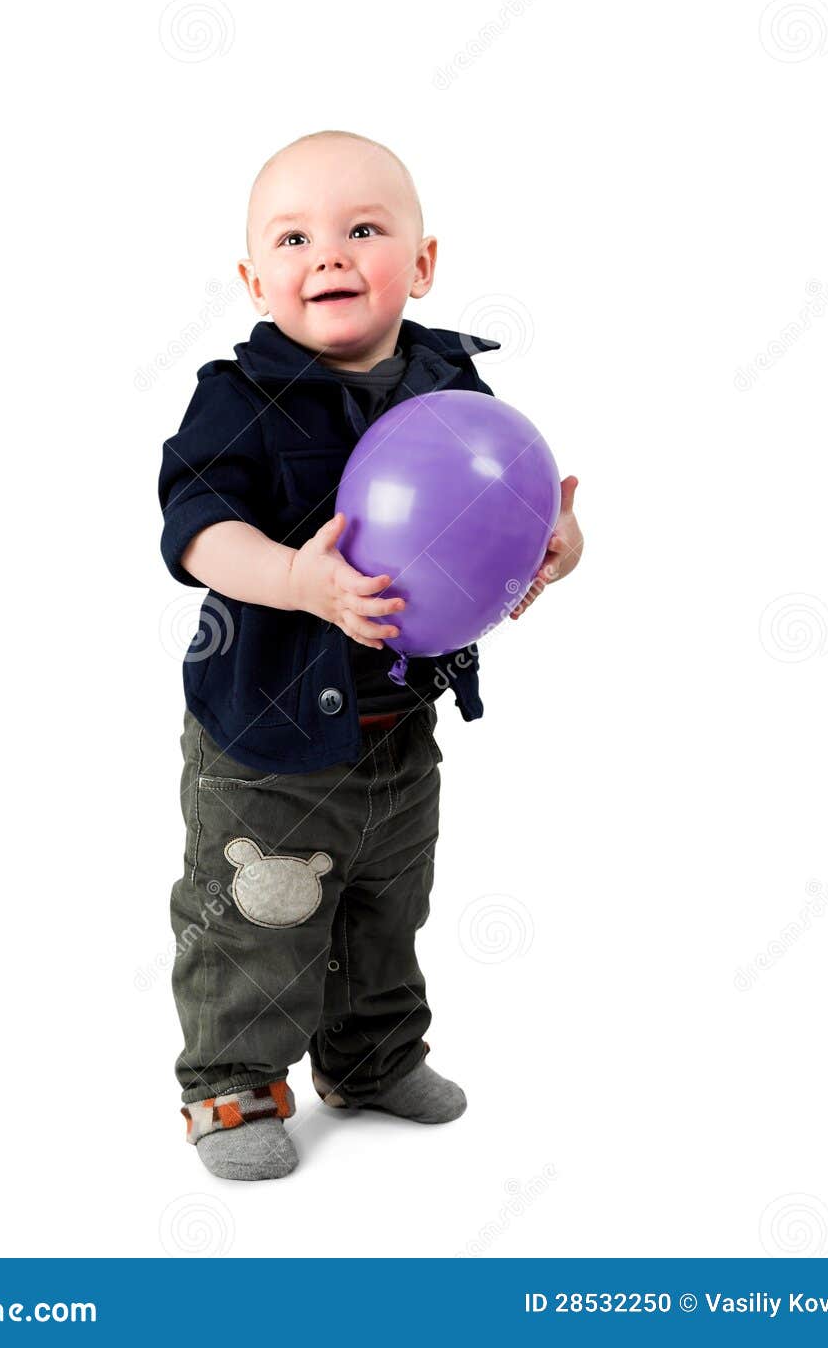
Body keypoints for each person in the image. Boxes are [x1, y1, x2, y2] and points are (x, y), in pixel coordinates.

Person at [157, 130, 583, 1179]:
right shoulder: (236, 396)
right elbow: (196, 526)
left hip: (398, 728)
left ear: (422, 263)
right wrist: (300, 579)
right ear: (256, 279)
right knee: (260, 919)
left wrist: (553, 546)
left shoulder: (448, 379)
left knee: (387, 905)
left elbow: (499, 510)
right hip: (265, 730)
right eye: (293, 238)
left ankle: (373, 1056)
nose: (329, 255)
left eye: (362, 230)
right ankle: (231, 1084)